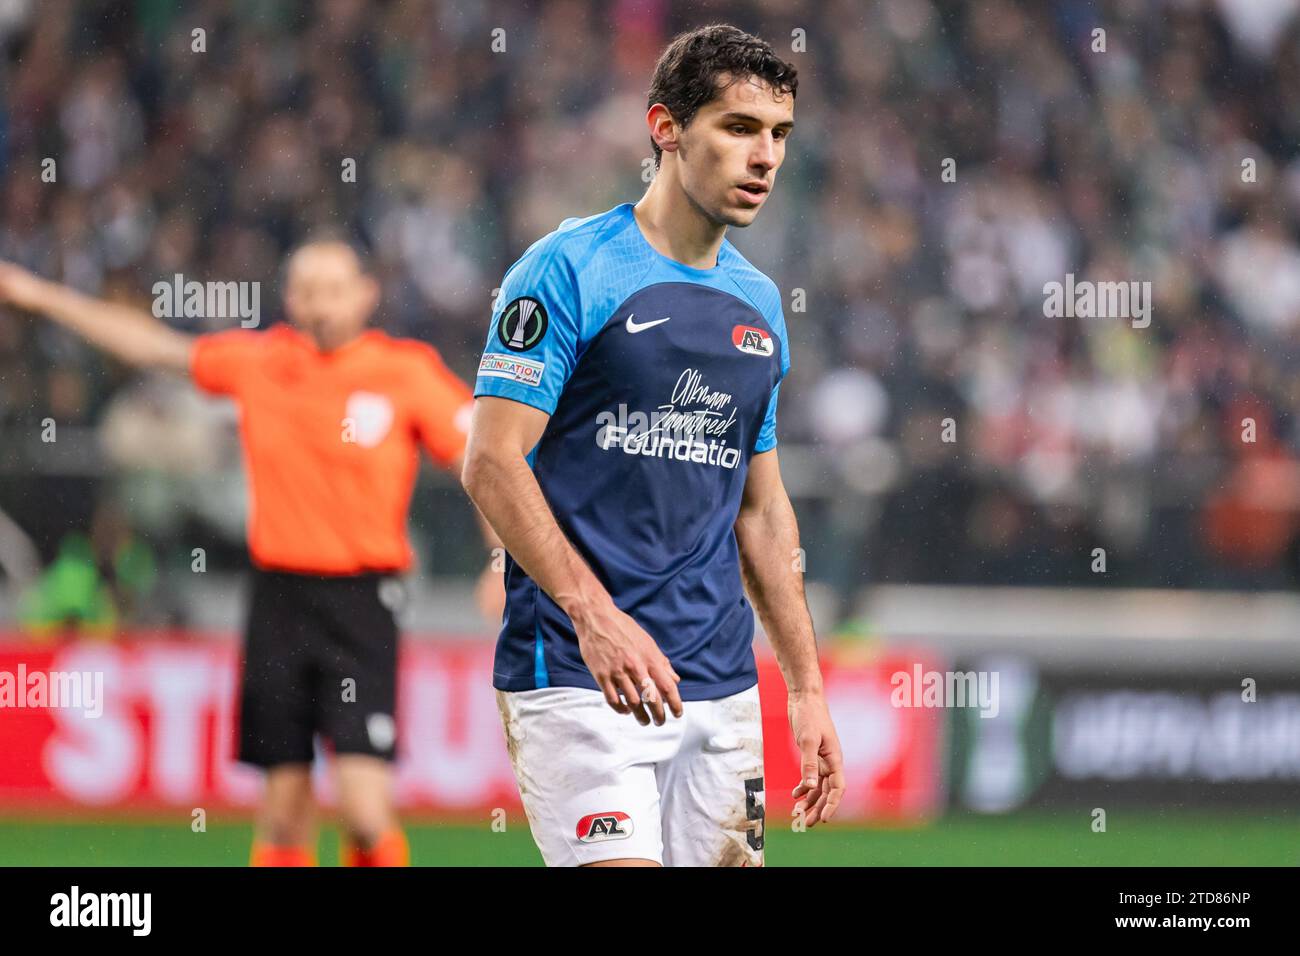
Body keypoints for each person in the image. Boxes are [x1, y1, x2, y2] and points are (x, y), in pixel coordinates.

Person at [461, 23, 844, 867]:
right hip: (581, 675)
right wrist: (594, 616)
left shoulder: (760, 305)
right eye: (738, 128)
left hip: (721, 686)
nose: (765, 157)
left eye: (779, 135)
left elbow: (762, 510)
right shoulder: (567, 269)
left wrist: (807, 687)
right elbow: (490, 459)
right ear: (665, 128)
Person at [0, 239, 502, 866]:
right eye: (308, 289)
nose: (320, 303)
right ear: (289, 298)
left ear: (366, 294)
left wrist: (498, 559)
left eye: (334, 288)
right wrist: (40, 295)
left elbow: (479, 461)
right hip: (278, 601)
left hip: (362, 604)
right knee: (283, 815)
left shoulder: (405, 371)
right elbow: (156, 348)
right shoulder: (262, 363)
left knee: (366, 815)